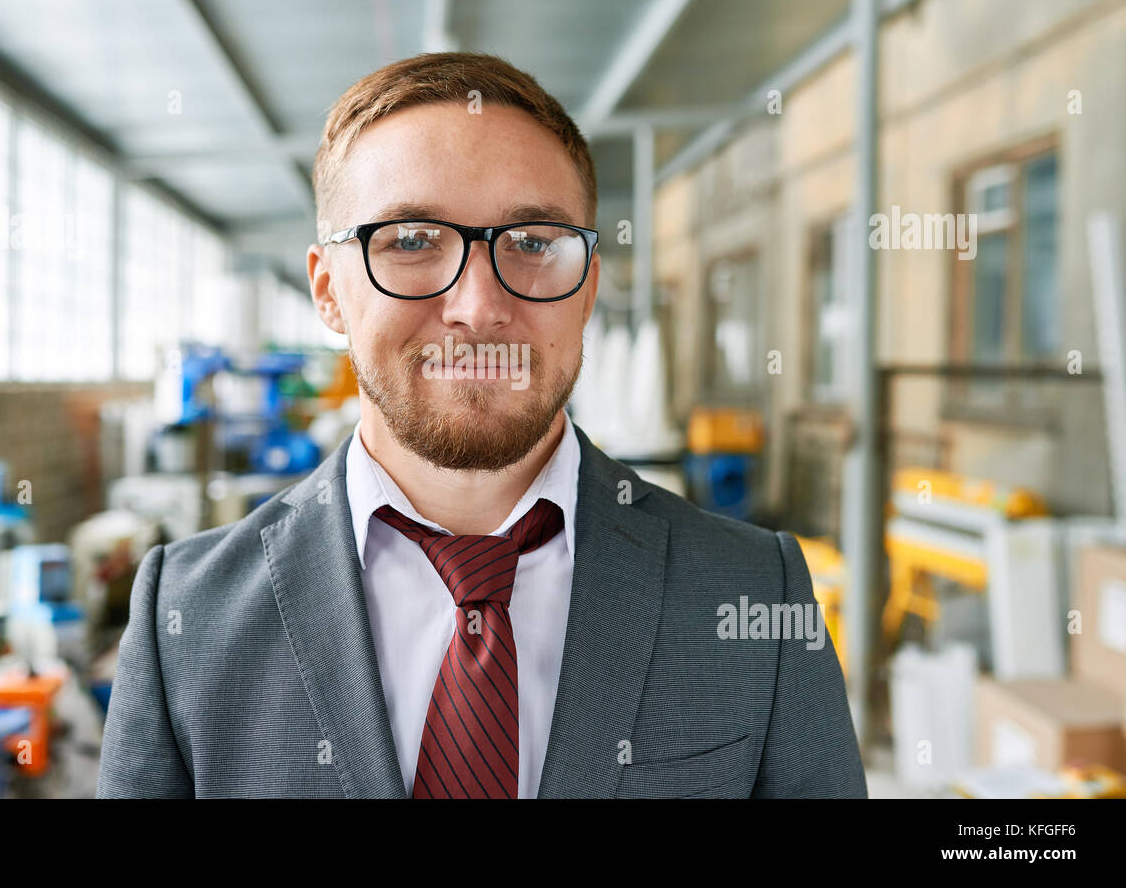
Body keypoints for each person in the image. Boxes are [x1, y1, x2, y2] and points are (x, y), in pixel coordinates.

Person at [96, 52, 867, 798]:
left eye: (532, 244)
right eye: (411, 241)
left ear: (588, 286)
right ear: (327, 290)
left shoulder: (754, 594)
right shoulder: (185, 619)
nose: (478, 306)